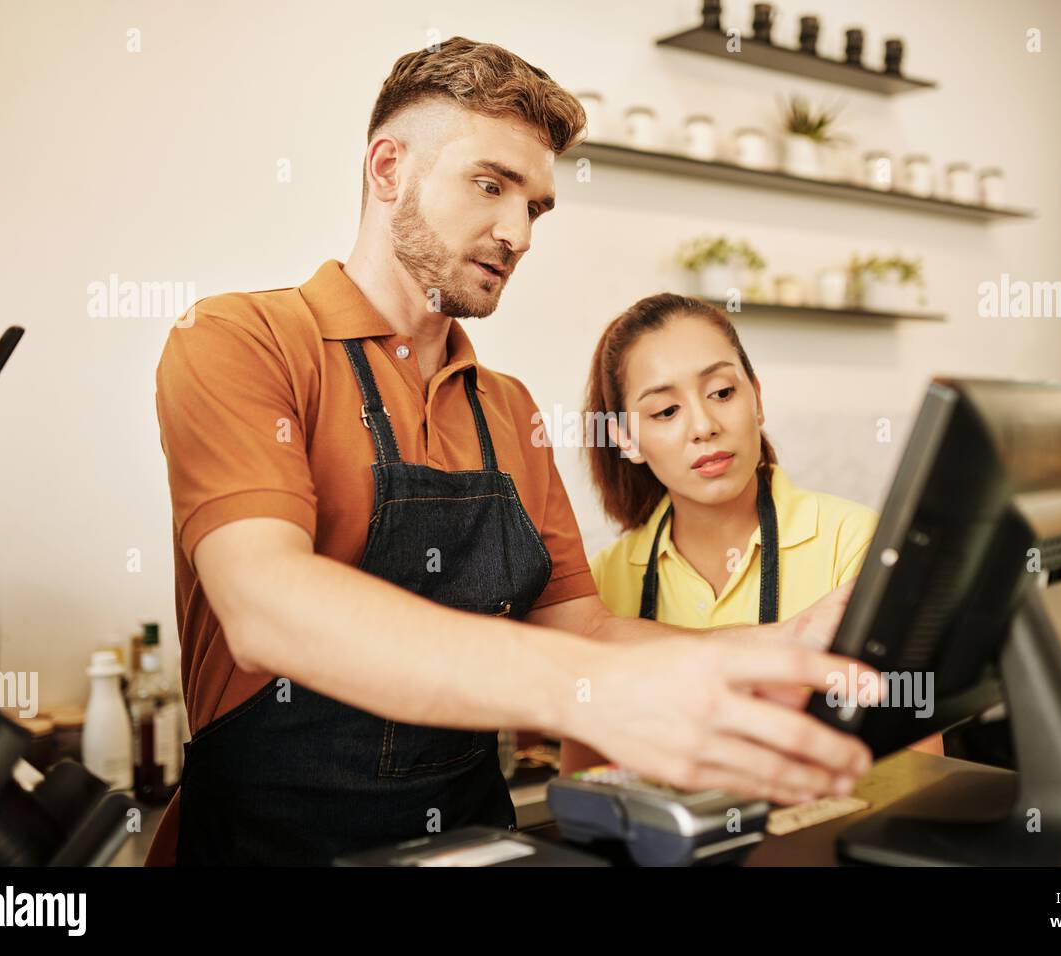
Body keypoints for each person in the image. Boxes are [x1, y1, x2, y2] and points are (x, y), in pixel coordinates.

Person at [148, 38, 877, 866]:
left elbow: (586, 631)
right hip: (267, 846)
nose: (517, 232)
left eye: (535, 206)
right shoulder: (240, 341)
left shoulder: (507, 408)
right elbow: (267, 607)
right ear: (387, 169)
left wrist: (779, 645)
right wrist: (592, 696)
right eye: (490, 185)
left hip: (471, 842)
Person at [561, 294, 942, 776]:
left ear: (756, 399)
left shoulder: (858, 545)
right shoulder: (599, 588)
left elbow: (917, 768)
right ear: (625, 439)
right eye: (665, 412)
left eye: (721, 393)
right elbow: (584, 784)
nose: (704, 426)